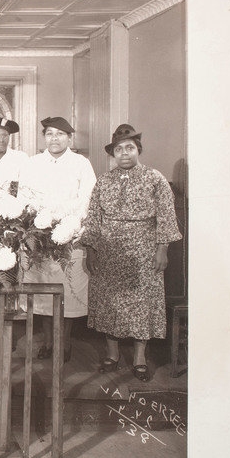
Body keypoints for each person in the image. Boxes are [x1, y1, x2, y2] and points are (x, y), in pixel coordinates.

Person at [81, 124, 182, 382]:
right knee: (109, 302)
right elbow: (93, 217)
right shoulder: (104, 181)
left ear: (138, 150)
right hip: (109, 250)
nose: (124, 153)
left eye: (130, 148)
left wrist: (162, 249)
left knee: (141, 303)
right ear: (113, 153)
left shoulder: (154, 178)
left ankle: (139, 358)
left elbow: (167, 217)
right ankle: (112, 355)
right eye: (119, 149)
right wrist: (91, 250)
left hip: (143, 250)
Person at [18, 116, 96, 362]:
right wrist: (39, 219)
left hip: (69, 233)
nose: (54, 138)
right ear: (44, 138)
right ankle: (48, 341)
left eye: (60, 134)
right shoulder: (32, 163)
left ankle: (64, 342)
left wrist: (66, 220)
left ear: (69, 138)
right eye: (50, 134)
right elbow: (25, 196)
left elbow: (88, 198)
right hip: (39, 235)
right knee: (41, 290)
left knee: (67, 292)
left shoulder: (81, 163)